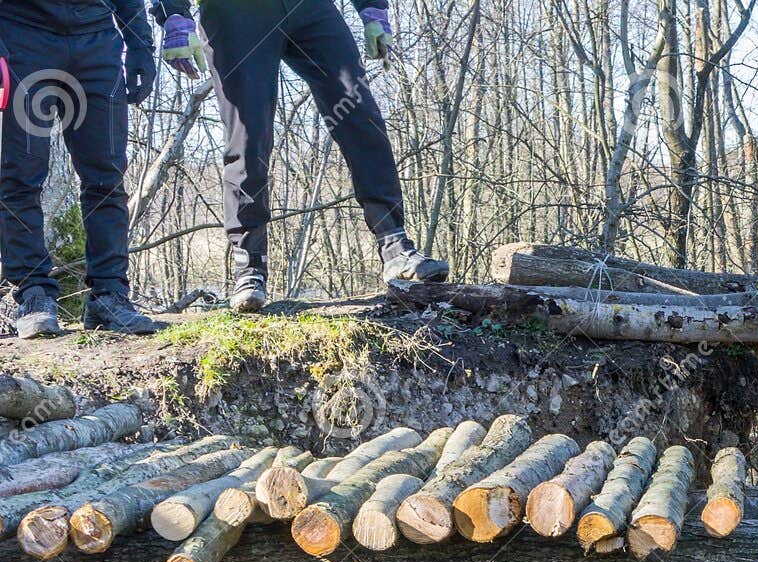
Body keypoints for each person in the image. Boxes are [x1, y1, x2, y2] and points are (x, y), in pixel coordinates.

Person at [152, 0, 447, 311]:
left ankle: (394, 244)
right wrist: (174, 15)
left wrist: (372, 9)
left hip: (309, 8)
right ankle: (249, 267)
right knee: (249, 136)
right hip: (233, 13)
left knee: (359, 112)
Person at [0, 0, 159, 338]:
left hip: (97, 40)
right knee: (21, 174)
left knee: (106, 176)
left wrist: (140, 44)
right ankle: (33, 295)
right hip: (21, 35)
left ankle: (109, 294)